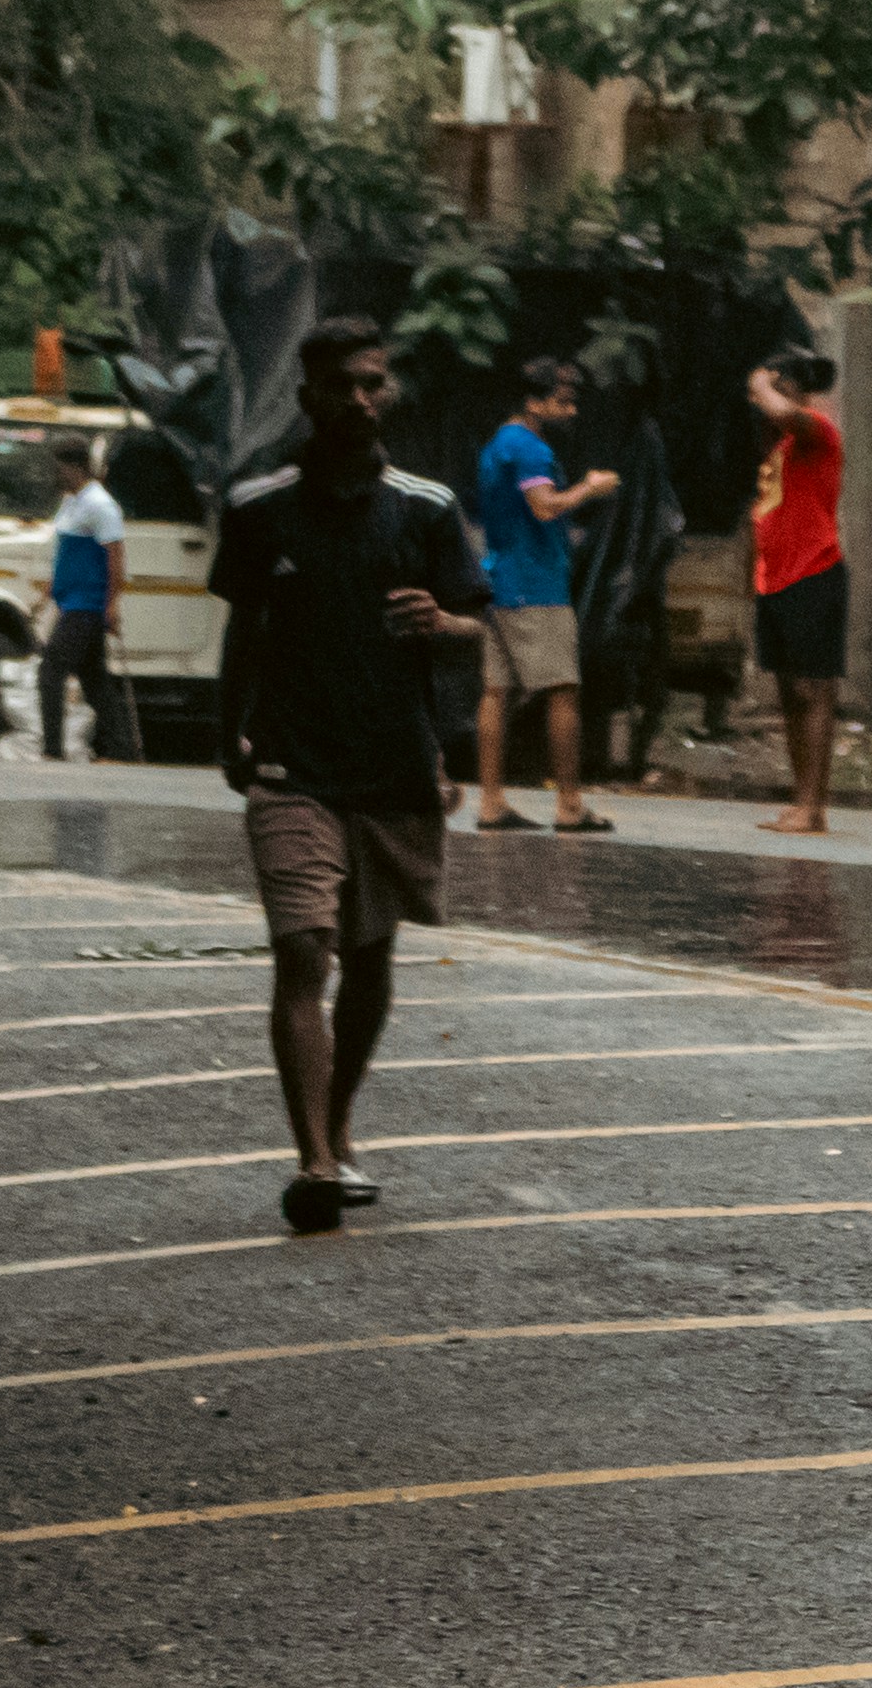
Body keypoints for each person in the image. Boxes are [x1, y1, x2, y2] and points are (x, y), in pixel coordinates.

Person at [212, 319, 489, 1233]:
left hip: (394, 763)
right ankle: (315, 1159)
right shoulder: (258, 507)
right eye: (342, 386)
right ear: (309, 398)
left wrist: (439, 623)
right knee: (304, 947)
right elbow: (242, 630)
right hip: (292, 765)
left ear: (388, 392)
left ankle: (336, 1128)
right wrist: (229, 735)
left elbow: (479, 627)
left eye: (374, 384)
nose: (360, 400)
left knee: (371, 956)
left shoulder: (427, 508)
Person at [470, 358, 619, 833]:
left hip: (498, 579)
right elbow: (545, 506)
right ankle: (570, 805)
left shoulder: (497, 445)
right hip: (536, 585)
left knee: (495, 690)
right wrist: (589, 489)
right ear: (534, 402)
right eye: (562, 401)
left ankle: (492, 802)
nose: (571, 411)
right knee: (563, 690)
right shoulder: (530, 449)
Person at [747, 349, 849, 834]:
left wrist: (762, 383)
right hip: (777, 578)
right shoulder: (781, 448)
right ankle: (800, 799)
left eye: (779, 385)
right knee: (788, 691)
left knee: (814, 689)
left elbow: (784, 411)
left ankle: (814, 805)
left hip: (813, 572)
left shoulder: (817, 429)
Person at [32, 434, 137, 764]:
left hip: (87, 604)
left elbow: (116, 558)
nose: (56, 475)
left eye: (60, 468)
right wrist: (46, 595)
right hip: (70, 602)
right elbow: (67, 554)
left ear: (76, 467)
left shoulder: (100, 505)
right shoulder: (71, 501)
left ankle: (52, 750)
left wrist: (112, 604)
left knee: (51, 671)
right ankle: (121, 749)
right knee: (94, 680)